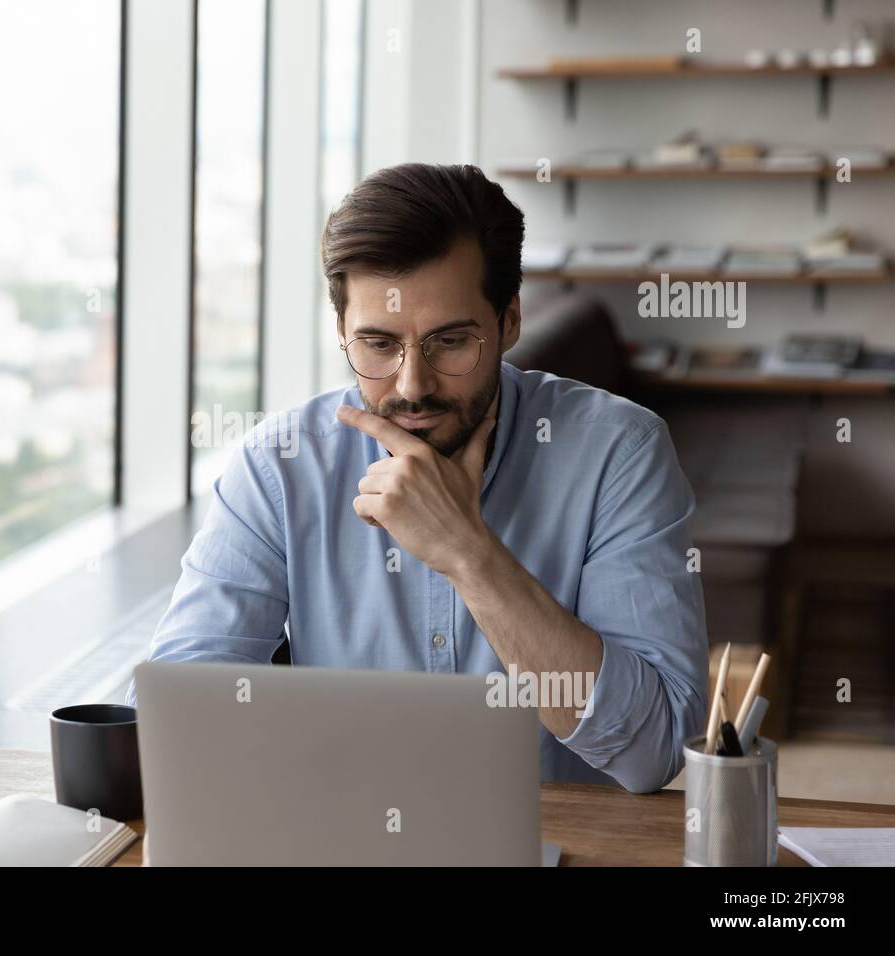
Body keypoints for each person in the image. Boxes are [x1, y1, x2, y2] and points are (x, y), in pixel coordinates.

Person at [126, 162, 708, 793]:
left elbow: (654, 749)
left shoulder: (618, 452)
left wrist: (468, 553)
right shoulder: (279, 466)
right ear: (342, 332)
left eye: (449, 342)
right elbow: (178, 717)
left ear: (508, 321)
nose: (412, 386)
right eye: (377, 345)